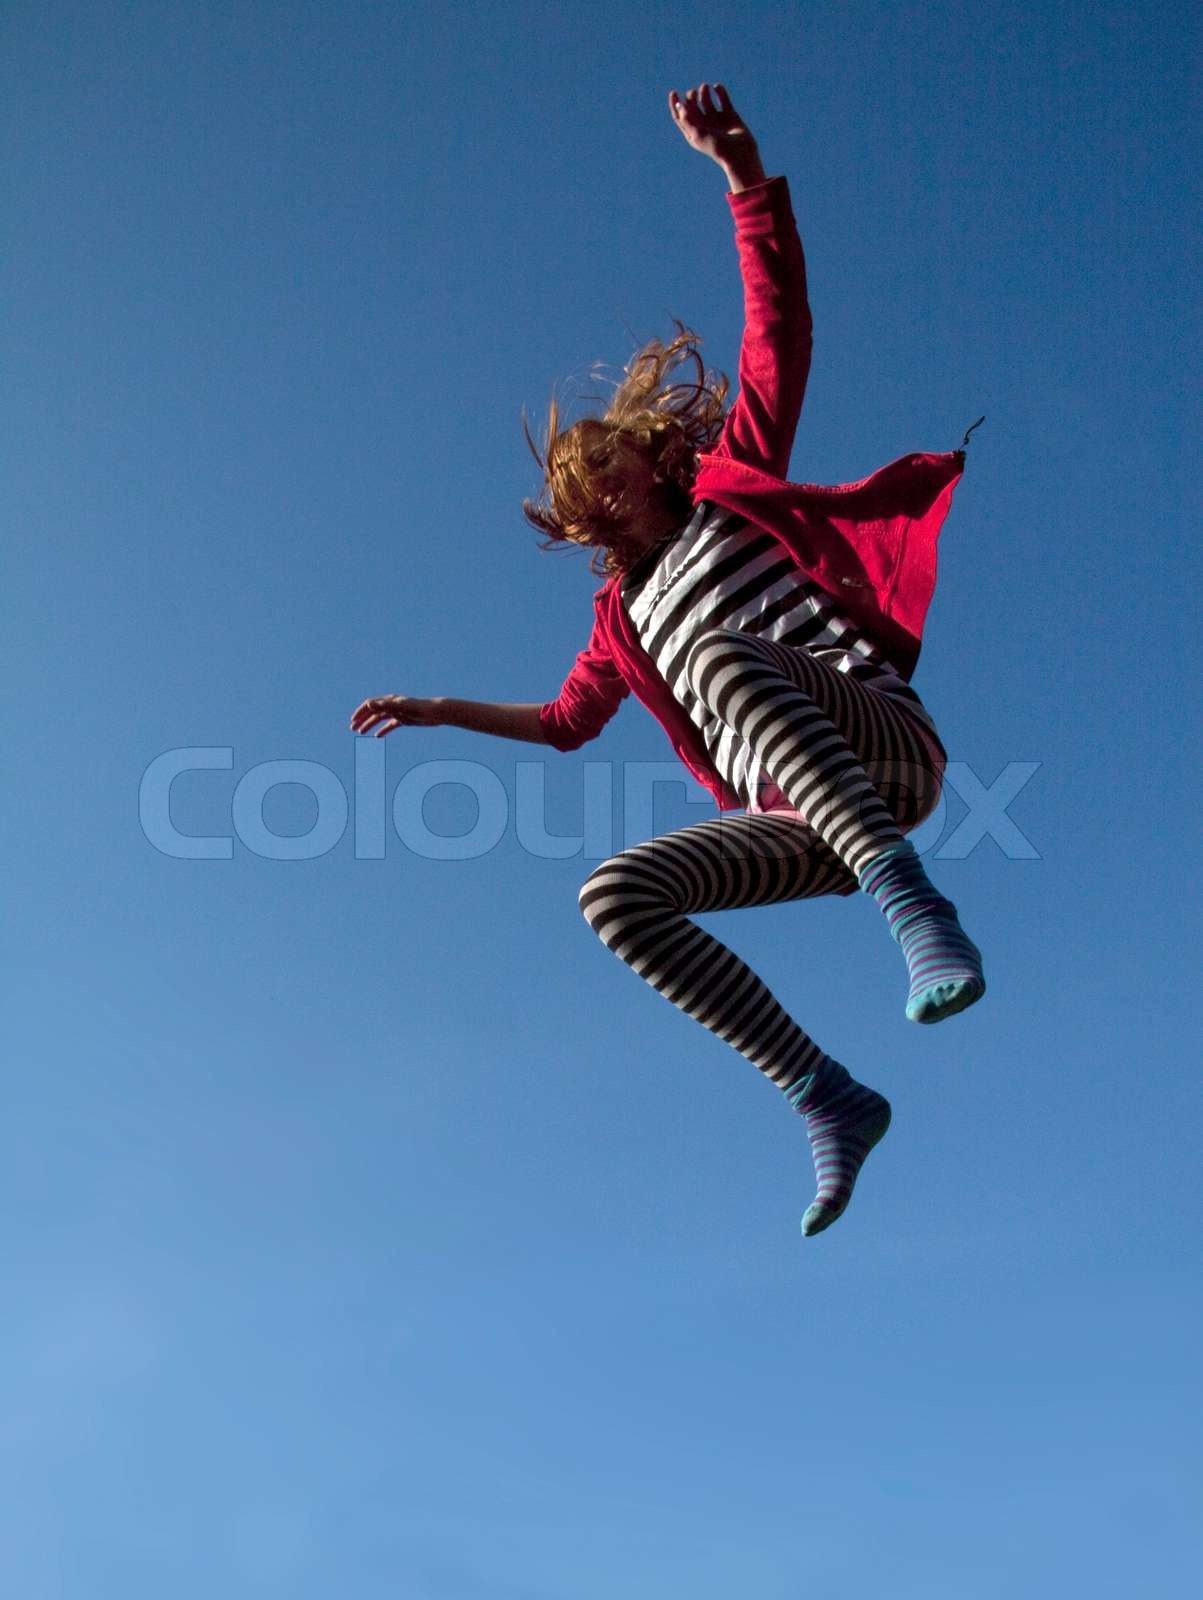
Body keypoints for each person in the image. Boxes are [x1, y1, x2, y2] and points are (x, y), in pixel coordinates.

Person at [350, 82, 986, 1239]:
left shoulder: (729, 489)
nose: (596, 495)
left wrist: (743, 179)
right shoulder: (621, 623)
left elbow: (777, 335)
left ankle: (916, 907)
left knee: (733, 657)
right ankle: (829, 1095)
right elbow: (563, 721)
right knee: (614, 896)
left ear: (647, 461)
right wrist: (438, 707)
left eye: (606, 469)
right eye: (576, 494)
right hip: (805, 820)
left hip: (884, 745)